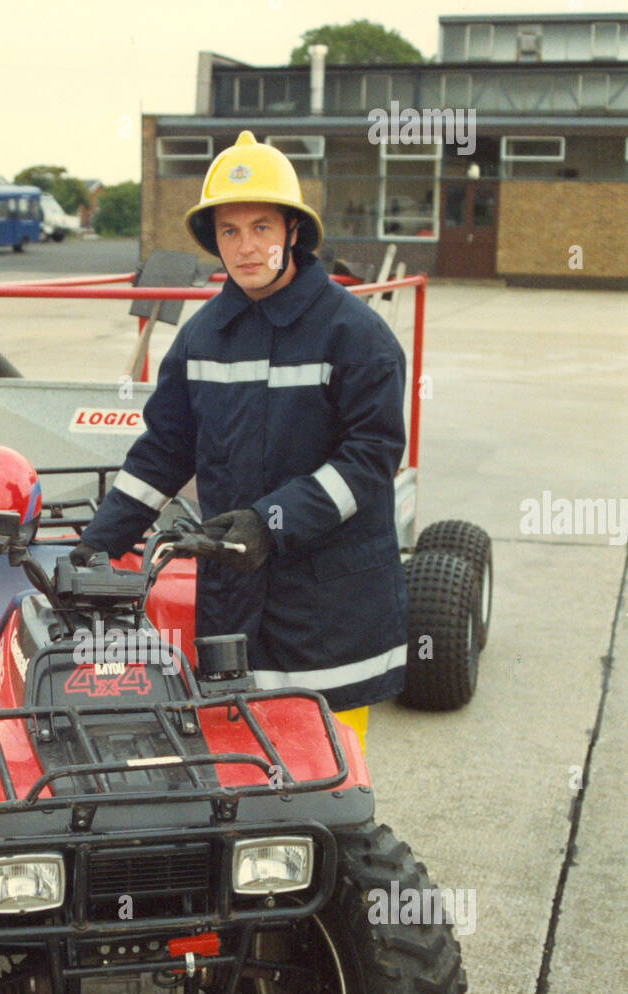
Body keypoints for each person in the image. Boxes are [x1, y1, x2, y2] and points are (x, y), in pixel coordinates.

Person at [73, 131, 409, 751]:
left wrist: (270, 521)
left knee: (326, 787)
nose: (246, 247)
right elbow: (163, 450)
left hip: (324, 608)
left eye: (260, 226)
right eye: (230, 231)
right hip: (233, 601)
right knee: (236, 773)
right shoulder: (203, 337)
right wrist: (100, 542)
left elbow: (372, 459)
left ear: (291, 232)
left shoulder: (354, 334)